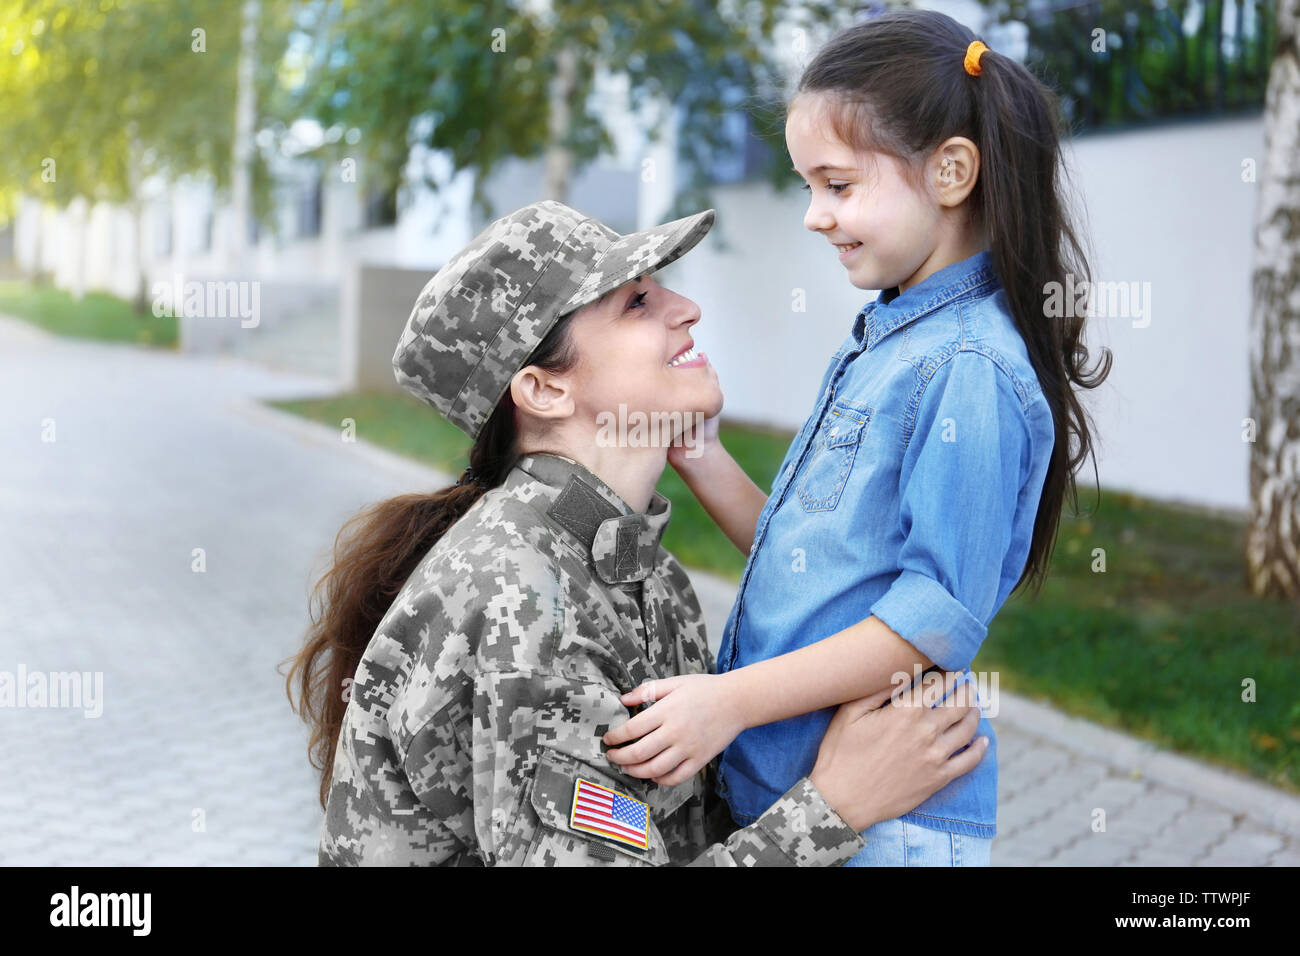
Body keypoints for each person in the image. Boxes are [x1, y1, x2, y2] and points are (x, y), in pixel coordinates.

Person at [284, 199, 987, 866]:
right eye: (638, 303)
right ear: (545, 390)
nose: (688, 309)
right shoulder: (528, 603)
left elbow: (663, 821)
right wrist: (837, 804)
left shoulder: (627, 562)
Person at [601, 10, 1112, 866]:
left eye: (837, 186)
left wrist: (728, 701)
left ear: (951, 172)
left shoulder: (969, 366)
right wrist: (702, 457)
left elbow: (933, 621)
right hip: (803, 793)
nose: (813, 215)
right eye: (808, 186)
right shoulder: (887, 334)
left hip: (887, 821)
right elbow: (817, 555)